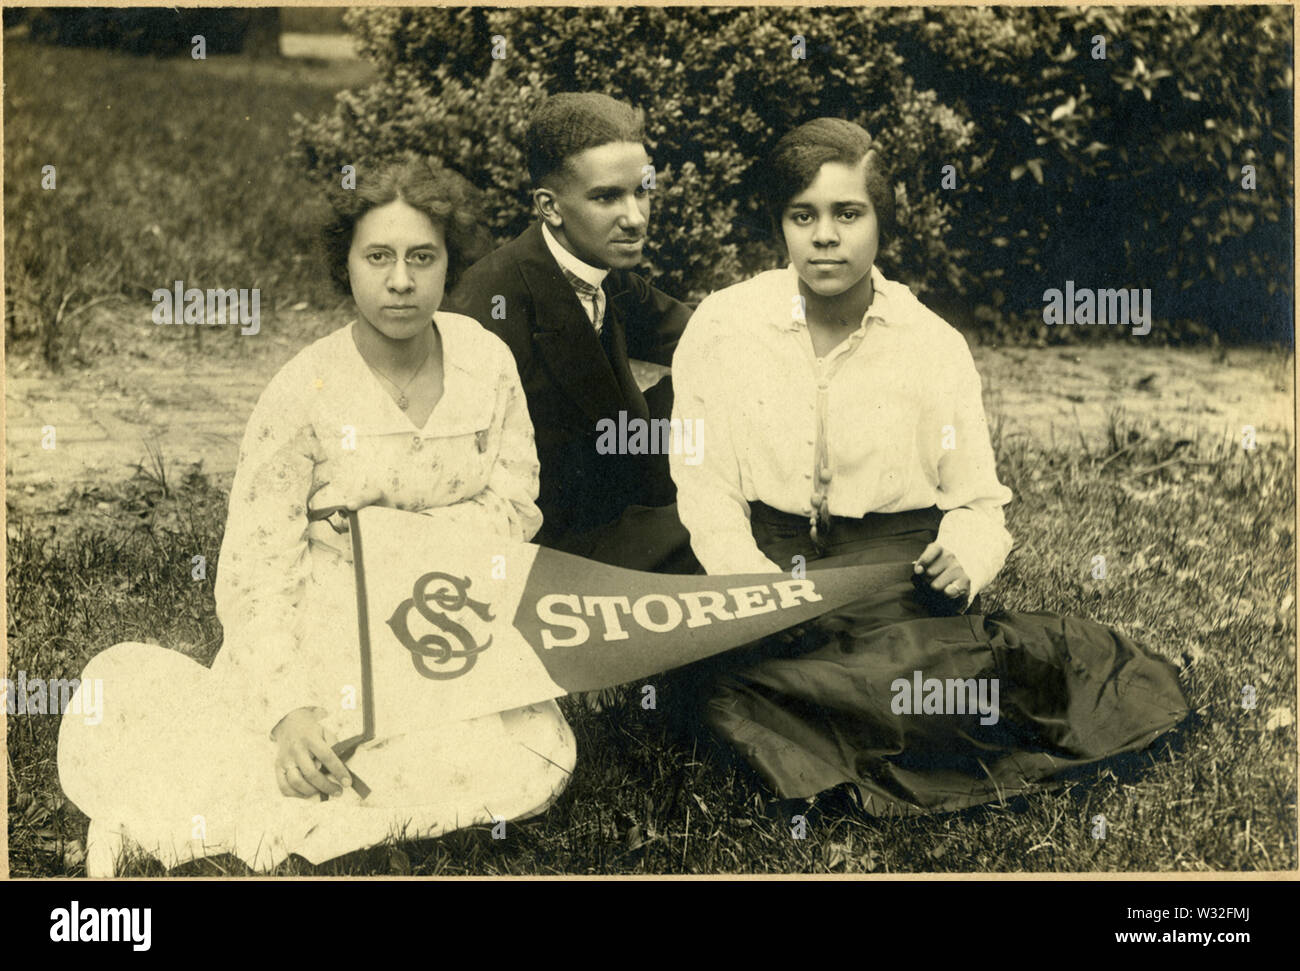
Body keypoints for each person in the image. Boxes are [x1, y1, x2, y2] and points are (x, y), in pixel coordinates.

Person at [57, 156, 576, 874]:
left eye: (423, 258)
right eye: (379, 257)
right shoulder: (303, 390)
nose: (402, 280)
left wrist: (404, 542)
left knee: (511, 755)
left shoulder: (486, 364)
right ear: (347, 266)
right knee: (297, 762)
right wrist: (290, 710)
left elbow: (518, 500)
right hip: (326, 624)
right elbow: (257, 570)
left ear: (449, 263)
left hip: (446, 620)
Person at [669, 118, 1189, 815]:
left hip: (891, 583)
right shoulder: (724, 325)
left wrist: (963, 556)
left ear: (882, 222)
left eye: (848, 213)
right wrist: (751, 585)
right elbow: (703, 484)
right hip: (769, 570)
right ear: (781, 225)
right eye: (804, 216)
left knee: (926, 682)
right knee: (710, 681)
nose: (826, 235)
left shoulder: (930, 343)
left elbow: (978, 501)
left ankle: (873, 725)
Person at [444, 92, 697, 575]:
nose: (635, 217)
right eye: (607, 197)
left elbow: (702, 336)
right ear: (550, 207)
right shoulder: (490, 310)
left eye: (641, 191)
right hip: (559, 550)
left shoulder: (599, 266)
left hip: (624, 490)